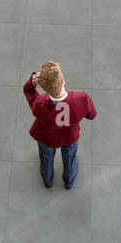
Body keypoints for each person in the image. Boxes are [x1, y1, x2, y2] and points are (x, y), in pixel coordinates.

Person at [22, 61, 97, 190]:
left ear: (44, 87)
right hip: (70, 137)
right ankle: (69, 181)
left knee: (46, 157)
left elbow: (27, 90)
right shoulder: (82, 98)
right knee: (69, 158)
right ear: (63, 80)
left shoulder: (39, 104)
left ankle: (48, 180)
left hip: (47, 138)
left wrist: (34, 79)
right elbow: (91, 115)